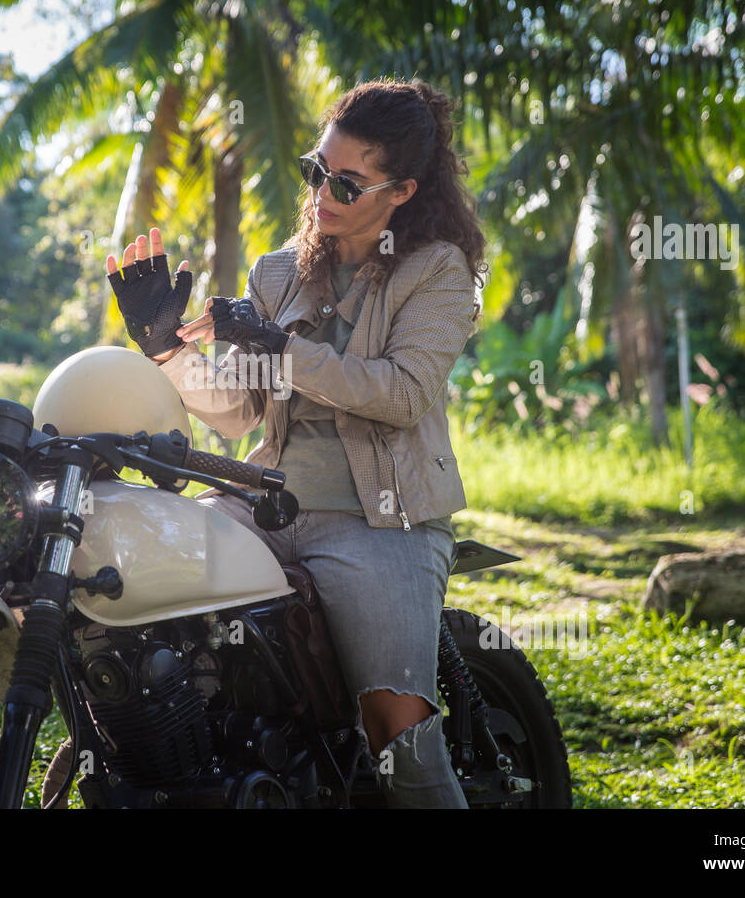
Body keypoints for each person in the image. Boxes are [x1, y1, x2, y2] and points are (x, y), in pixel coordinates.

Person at [105, 77, 486, 807]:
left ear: (402, 191)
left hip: (380, 519)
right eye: (317, 171)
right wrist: (164, 350)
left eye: (347, 183)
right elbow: (242, 411)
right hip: (265, 501)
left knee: (395, 727)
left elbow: (401, 394)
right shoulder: (277, 271)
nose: (322, 196)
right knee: (149, 606)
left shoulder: (438, 270)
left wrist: (277, 345)